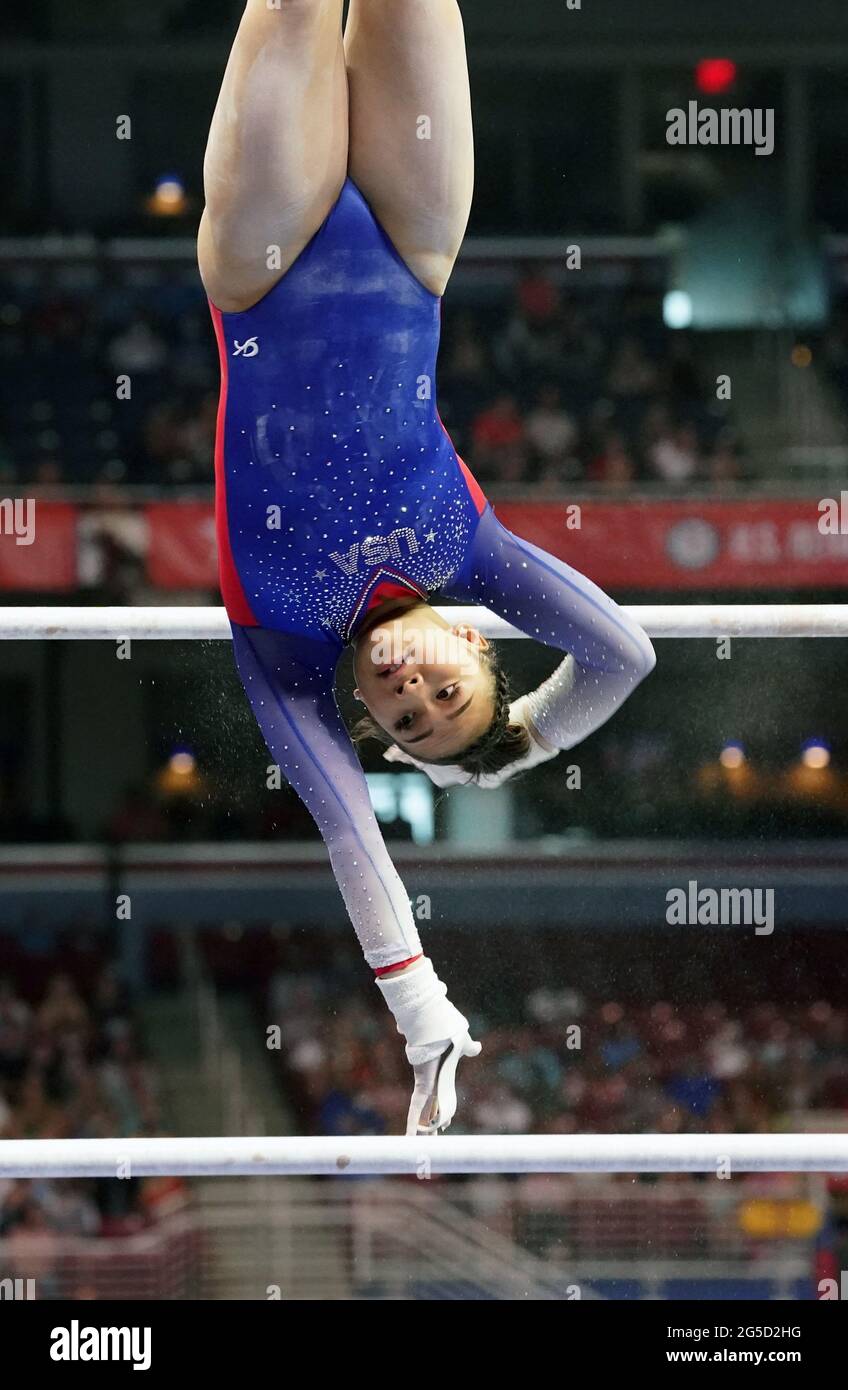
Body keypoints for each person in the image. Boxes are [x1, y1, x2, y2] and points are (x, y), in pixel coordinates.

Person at [198, 0, 655, 1136]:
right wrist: (514, 749)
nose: (413, 692)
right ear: (472, 638)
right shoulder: (471, 551)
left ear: (365, 714)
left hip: (261, 264)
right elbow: (622, 653)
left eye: (404, 722)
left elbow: (354, 836)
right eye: (448, 692)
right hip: (414, 249)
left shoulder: (283, 646)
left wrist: (420, 1010)